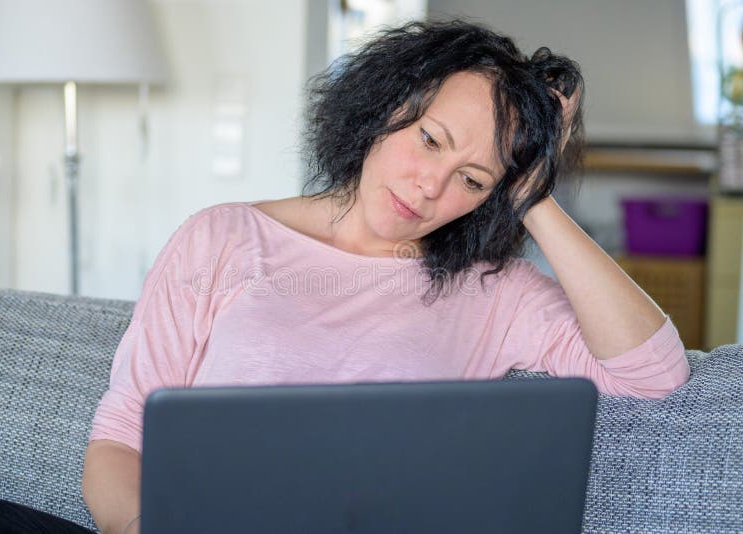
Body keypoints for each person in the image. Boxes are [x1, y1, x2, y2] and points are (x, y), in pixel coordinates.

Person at [82, 20, 690, 534]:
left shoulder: (493, 293)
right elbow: (118, 440)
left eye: (474, 180)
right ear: (388, 107)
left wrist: (535, 198)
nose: (431, 186)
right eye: (430, 140)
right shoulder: (220, 238)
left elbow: (656, 376)